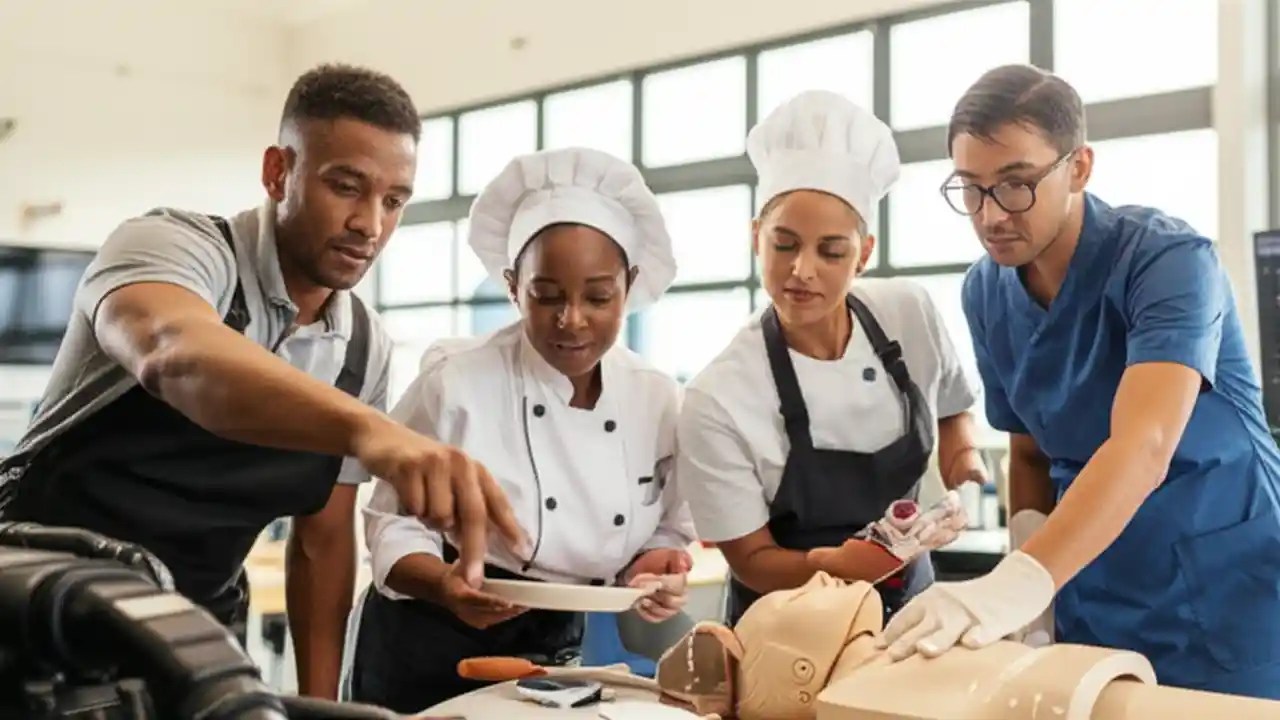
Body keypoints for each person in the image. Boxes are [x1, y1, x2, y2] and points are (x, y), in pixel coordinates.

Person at [0, 64, 522, 700]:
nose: (370, 224)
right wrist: (370, 430)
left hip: (190, 638)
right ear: (279, 172)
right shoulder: (169, 247)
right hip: (32, 624)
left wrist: (320, 704)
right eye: (346, 187)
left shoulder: (363, 349)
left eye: (393, 201)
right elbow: (176, 353)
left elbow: (321, 547)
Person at [878, 64, 1280, 700]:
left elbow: (1144, 446)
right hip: (1092, 586)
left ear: (1080, 167)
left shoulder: (1167, 261)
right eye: (971, 189)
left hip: (1225, 592)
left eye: (1015, 185)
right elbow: (1031, 447)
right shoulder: (985, 290)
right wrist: (1035, 610)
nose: (990, 216)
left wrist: (1016, 581)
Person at [345, 146, 698, 712]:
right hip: (430, 632)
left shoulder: (658, 397)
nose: (572, 319)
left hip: (559, 640)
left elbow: (669, 528)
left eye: (598, 297)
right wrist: (443, 584)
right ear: (513, 286)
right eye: (547, 295)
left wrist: (654, 569)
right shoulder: (456, 383)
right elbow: (390, 521)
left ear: (629, 286)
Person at [676, 91, 985, 627]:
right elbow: (751, 561)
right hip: (785, 633)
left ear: (863, 253)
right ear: (756, 239)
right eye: (784, 245)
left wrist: (965, 475)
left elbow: (953, 407)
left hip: (912, 617)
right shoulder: (720, 395)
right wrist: (837, 566)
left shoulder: (908, 314)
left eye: (831, 251)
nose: (802, 270)